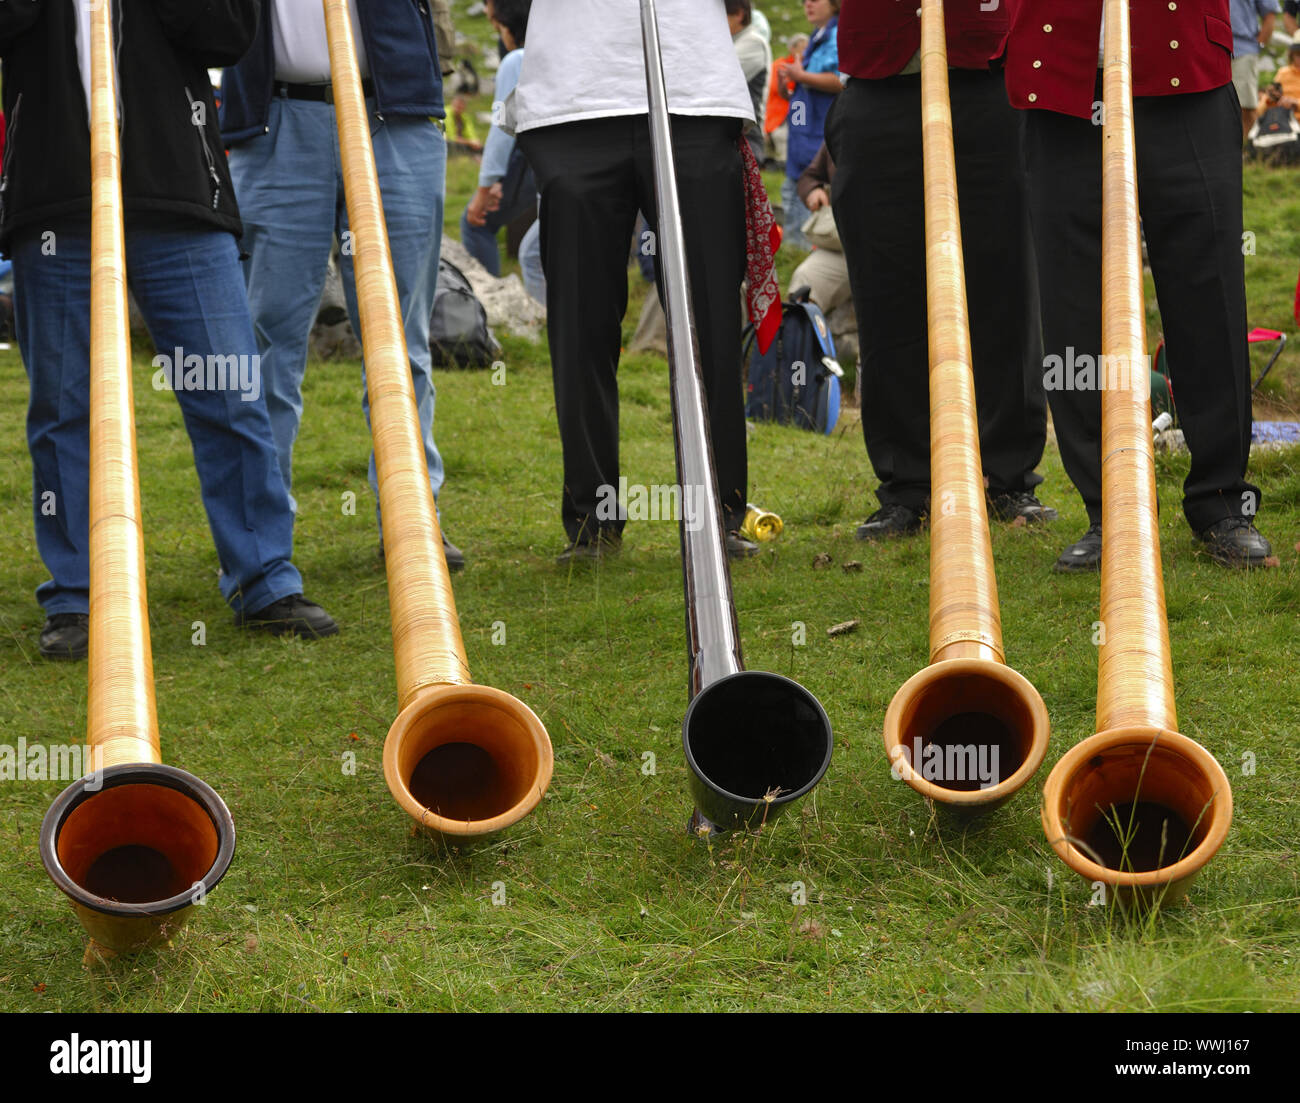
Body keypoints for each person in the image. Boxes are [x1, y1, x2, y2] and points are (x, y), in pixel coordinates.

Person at [1, 0, 338, 660]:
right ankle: (76, 595)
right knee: (65, 405)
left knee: (229, 393)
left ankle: (264, 578)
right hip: (55, 197)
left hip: (178, 191)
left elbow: (230, 34)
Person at [1004, 0, 1273, 569]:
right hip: (1065, 80)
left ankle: (1222, 502)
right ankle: (1109, 509)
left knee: (1209, 292)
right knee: (1075, 304)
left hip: (1186, 73)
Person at [220, 0, 464, 569]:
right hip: (274, 120)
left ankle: (411, 513)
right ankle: (261, 536)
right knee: (265, 339)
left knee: (401, 337)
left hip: (393, 116)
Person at [512, 0, 760, 561]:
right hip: (573, 99)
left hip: (691, 90)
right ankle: (592, 521)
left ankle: (719, 513)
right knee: (581, 326)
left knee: (709, 323)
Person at [826, 0, 1054, 542]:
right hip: (880, 85)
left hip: (986, 77)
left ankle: (1007, 477)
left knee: (1005, 287)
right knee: (887, 297)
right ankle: (908, 485)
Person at [461, 0, 539, 287]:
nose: (484, 11)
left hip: (533, 160)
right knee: (537, 252)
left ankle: (492, 302)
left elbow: (501, 126)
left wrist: (486, 186)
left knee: (476, 225)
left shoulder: (517, 59)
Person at [781, 1, 840, 251]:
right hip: (803, 135)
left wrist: (801, 77)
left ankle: (805, 251)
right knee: (792, 192)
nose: (808, 4)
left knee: (809, 194)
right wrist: (789, 87)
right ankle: (795, 251)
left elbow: (841, 80)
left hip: (817, 136)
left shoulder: (837, 35)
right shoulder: (817, 36)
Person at [789, 143, 850, 314]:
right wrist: (813, 191)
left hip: (890, 248)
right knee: (804, 281)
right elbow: (809, 176)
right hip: (841, 247)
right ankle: (801, 338)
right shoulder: (841, 127)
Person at [728, 0, 773, 163]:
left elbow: (718, 81)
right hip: (735, 134)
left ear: (739, 14)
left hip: (746, 137)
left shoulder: (753, 42)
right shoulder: (737, 41)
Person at [1231, 0, 1280, 139]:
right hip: (1210, 50)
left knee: (1246, 105)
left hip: (1244, 49)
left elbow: (1270, 14)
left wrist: (1259, 44)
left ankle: (1252, 149)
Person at [1258, 40, 1300, 118]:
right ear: (1292, 55)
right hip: (1284, 122)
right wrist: (1269, 100)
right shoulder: (1283, 73)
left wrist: (1296, 103)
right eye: (1298, 54)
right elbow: (1261, 109)